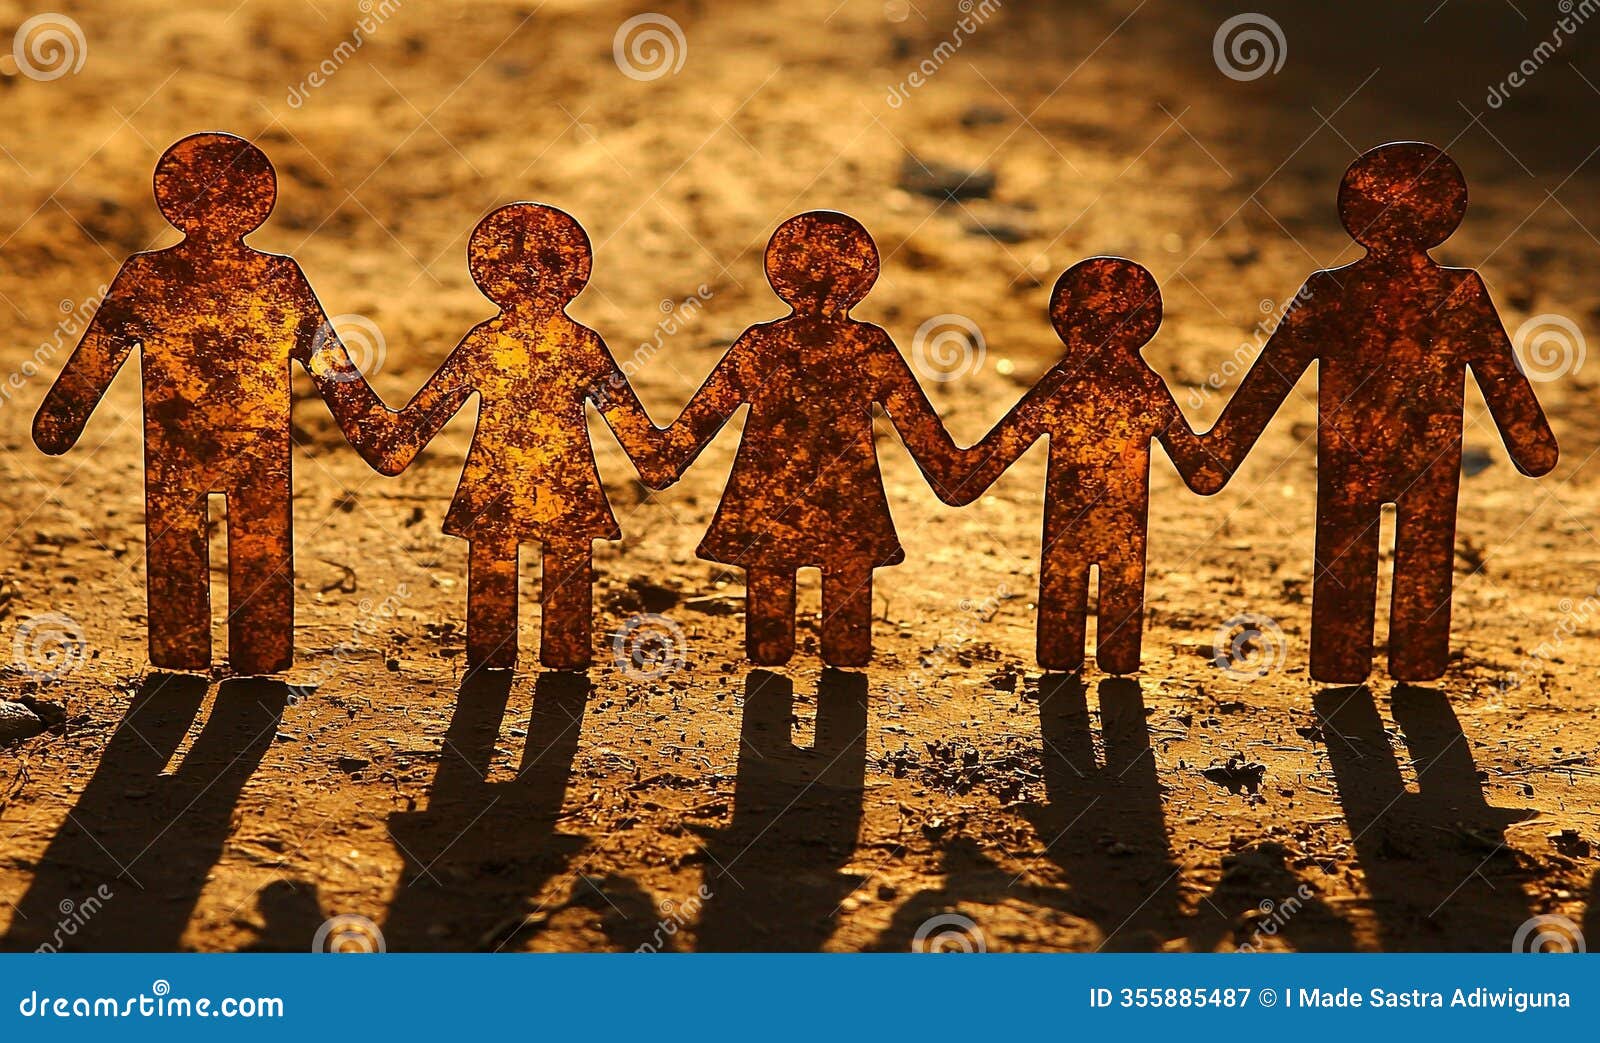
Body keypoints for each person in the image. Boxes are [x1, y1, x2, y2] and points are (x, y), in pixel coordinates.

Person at [1201, 142, 1558, 682]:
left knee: (1352, 553)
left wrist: (1223, 451)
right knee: (1422, 554)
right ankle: (1414, 658)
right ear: (1447, 215)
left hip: (1356, 456)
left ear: (1352, 214)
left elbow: (1269, 379)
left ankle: (1345, 659)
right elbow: (1502, 381)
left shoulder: (1332, 291)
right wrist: (1530, 445)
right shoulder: (1458, 293)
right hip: (1424, 458)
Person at [33, 132, 388, 675]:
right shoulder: (273, 278)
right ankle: (250, 650)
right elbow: (330, 367)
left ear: (170, 199)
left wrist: (63, 418)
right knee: (252, 544)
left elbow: (94, 361)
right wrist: (370, 431)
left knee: (185, 540)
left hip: (183, 444)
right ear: (261, 201)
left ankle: (190, 649)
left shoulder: (151, 275)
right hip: (250, 447)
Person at [333, 203, 671, 671]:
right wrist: (670, 452)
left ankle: (514, 655)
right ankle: (548, 655)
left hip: (500, 486)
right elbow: (636, 435)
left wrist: (354, 403)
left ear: (486, 274)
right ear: (576, 273)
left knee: (512, 568)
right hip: (561, 487)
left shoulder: (491, 342)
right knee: (554, 575)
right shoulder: (578, 343)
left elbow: (417, 424)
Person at [657, 211, 964, 668]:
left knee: (775, 595)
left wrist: (658, 457)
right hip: (847, 501)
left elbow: (696, 425)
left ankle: (780, 654)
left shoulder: (763, 343)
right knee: (841, 599)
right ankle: (827, 655)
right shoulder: (868, 346)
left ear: (779, 275)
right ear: (863, 278)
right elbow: (923, 435)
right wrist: (961, 473)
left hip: (772, 498)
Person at [942, 257, 1223, 673]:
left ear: (1064, 318)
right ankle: (1109, 659)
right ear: (1146, 322)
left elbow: (996, 452)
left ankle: (1082, 658)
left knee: (1072, 597)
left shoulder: (1065, 383)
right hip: (1115, 526)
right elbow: (1199, 467)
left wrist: (955, 473)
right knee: (1111, 598)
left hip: (1078, 522)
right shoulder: (1143, 387)